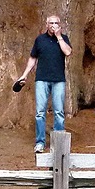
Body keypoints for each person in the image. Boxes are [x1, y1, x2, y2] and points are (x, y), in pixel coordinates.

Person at [15, 15, 72, 153]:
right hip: (42, 79)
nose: (53, 25)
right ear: (46, 25)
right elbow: (33, 58)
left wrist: (58, 37)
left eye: (56, 23)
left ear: (60, 25)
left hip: (59, 80)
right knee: (40, 112)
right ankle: (40, 142)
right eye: (51, 23)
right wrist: (24, 75)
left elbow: (68, 52)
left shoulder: (63, 39)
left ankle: (58, 143)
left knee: (59, 112)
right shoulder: (40, 40)